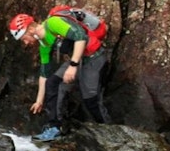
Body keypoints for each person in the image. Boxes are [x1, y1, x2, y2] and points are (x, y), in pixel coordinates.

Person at [9, 9, 110, 141]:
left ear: (30, 30)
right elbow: (44, 74)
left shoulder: (53, 23)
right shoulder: (44, 43)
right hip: (79, 60)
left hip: (94, 57)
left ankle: (109, 133)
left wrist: (73, 66)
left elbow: (80, 36)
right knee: (53, 83)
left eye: (24, 39)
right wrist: (39, 100)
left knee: (91, 100)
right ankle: (55, 127)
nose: (26, 43)